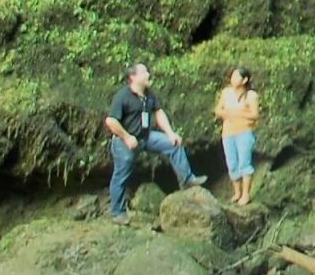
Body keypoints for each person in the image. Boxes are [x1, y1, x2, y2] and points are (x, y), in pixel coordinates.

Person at [104, 62, 204, 222]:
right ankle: (117, 212)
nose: (148, 75)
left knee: (173, 144)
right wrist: (127, 137)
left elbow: (158, 113)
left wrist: (170, 133)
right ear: (133, 77)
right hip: (125, 142)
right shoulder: (123, 96)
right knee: (121, 175)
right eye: (144, 72)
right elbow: (111, 121)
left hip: (145, 137)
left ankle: (187, 180)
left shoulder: (149, 94)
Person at [214, 66, 261, 206]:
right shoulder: (226, 92)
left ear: (244, 80)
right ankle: (237, 193)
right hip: (228, 133)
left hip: (244, 132)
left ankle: (246, 194)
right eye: (232, 76)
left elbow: (255, 115)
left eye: (236, 76)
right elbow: (218, 110)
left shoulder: (251, 95)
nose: (233, 79)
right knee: (232, 164)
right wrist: (226, 114)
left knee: (244, 163)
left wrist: (238, 114)